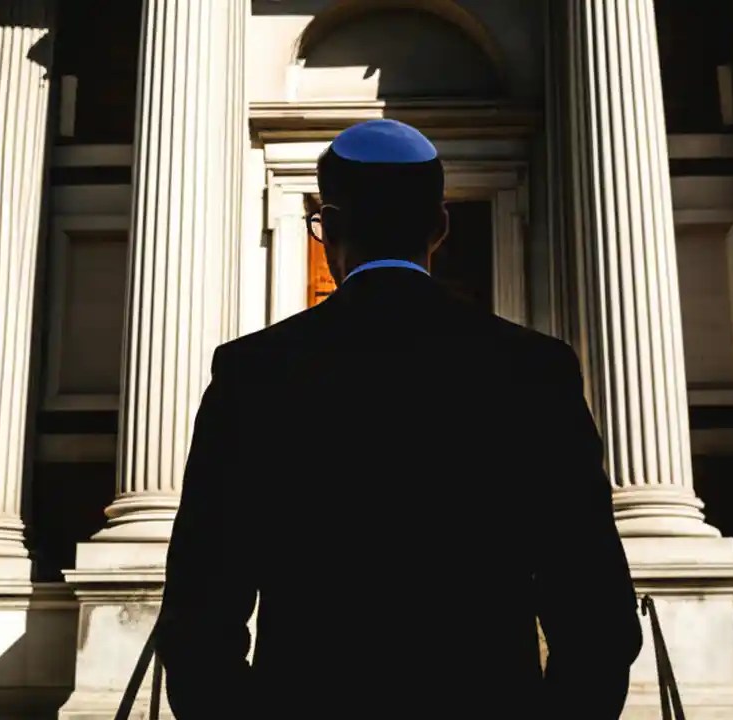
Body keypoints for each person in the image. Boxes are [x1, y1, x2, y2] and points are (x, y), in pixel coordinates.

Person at [156, 118, 642, 717]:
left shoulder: (252, 373)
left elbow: (200, 611)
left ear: (327, 226)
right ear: (439, 226)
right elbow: (594, 606)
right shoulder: (535, 370)